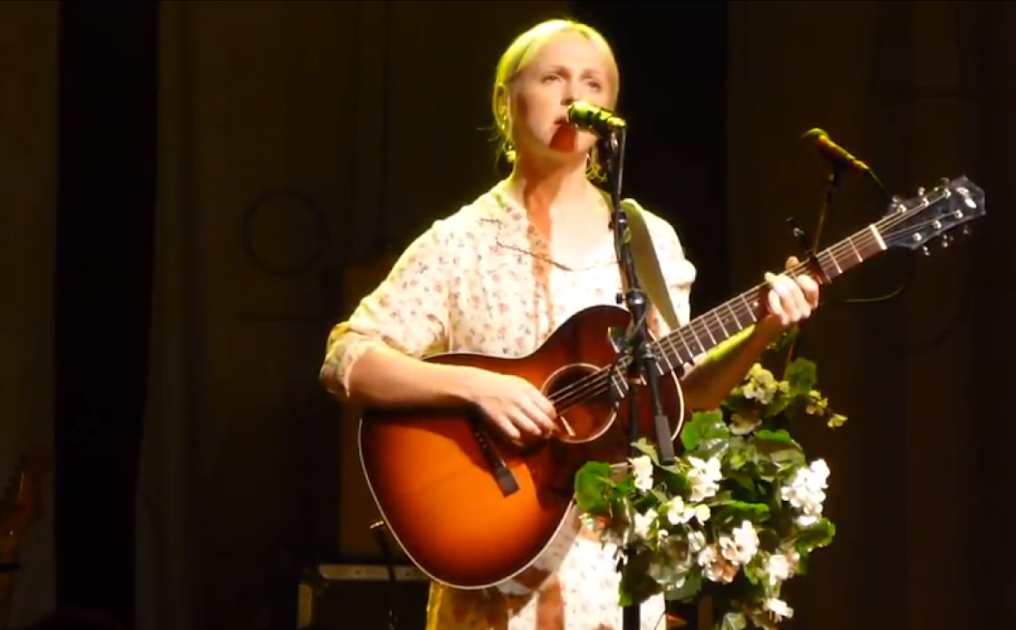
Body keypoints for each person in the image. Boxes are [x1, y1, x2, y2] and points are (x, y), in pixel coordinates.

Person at [319, 17, 820, 630]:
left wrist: (763, 330)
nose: (573, 97)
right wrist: (481, 387)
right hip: (492, 561)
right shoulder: (460, 242)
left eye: (593, 83)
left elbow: (680, 396)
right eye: (553, 77)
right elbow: (348, 360)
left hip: (610, 573)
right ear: (505, 103)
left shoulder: (645, 243)